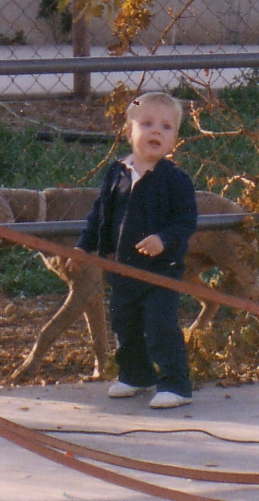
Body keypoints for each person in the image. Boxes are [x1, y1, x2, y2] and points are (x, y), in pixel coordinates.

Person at [72, 92, 198, 409]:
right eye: (147, 123)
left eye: (166, 127)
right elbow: (100, 214)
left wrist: (164, 239)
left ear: (175, 139)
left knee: (160, 325)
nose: (156, 131)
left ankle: (175, 384)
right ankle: (136, 375)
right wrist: (84, 246)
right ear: (129, 132)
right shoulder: (117, 173)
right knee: (124, 324)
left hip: (161, 272)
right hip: (122, 269)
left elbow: (185, 221)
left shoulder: (175, 180)